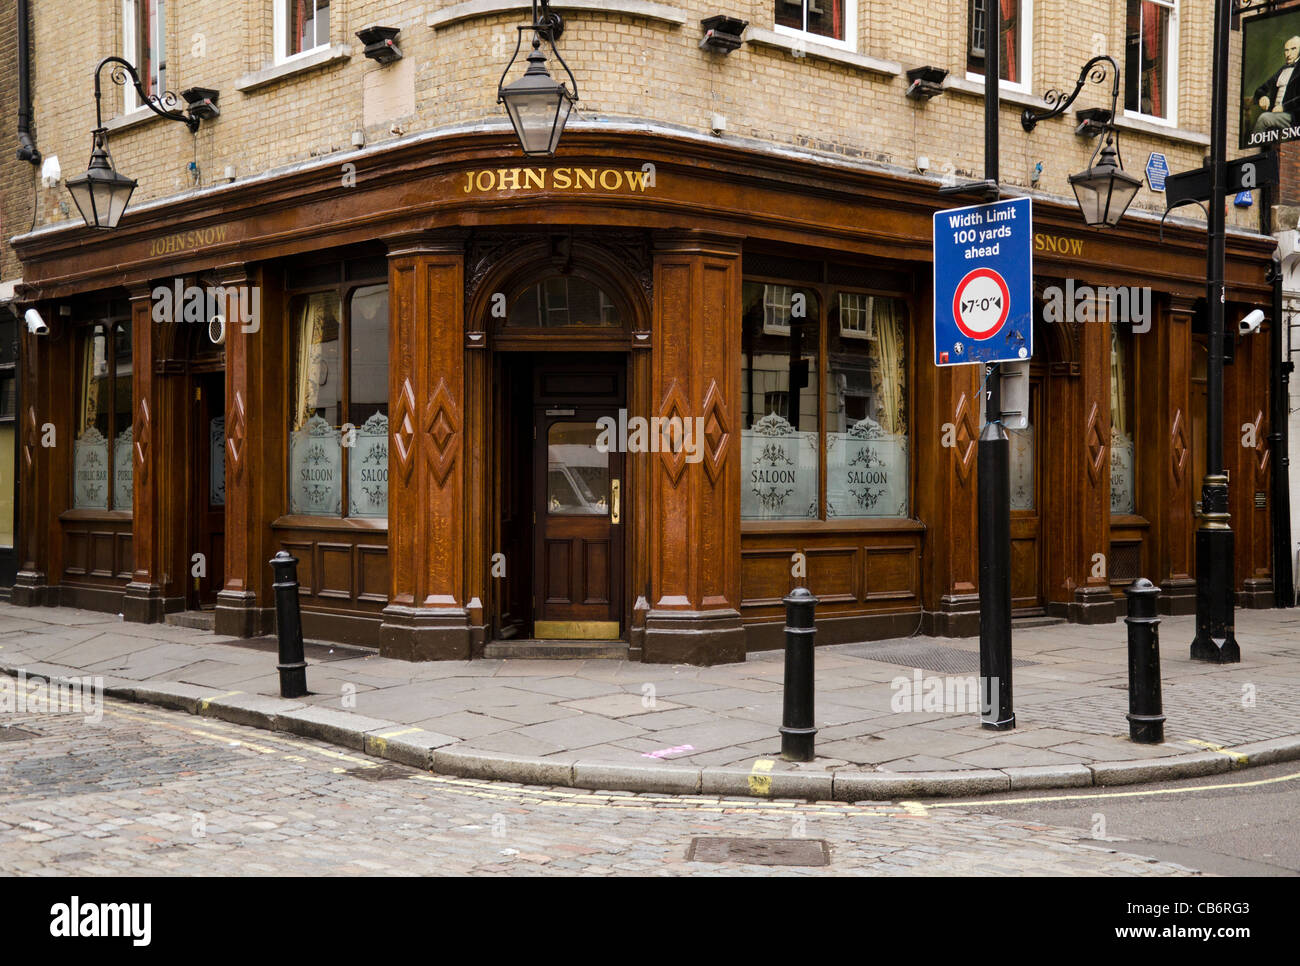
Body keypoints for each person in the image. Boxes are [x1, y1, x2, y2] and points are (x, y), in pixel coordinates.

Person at [1253, 35, 1300, 135]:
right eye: (1286, 50)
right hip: (1276, 114)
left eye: (1293, 49)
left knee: (1264, 118)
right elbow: (1261, 89)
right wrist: (1262, 97)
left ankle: (1255, 143)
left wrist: (1283, 107)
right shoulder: (1282, 70)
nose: (1289, 54)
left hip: (1294, 116)